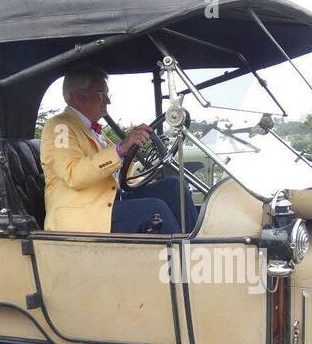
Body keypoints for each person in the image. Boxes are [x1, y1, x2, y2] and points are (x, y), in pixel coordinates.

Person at [41, 66, 196, 234]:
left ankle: (199, 242)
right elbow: (73, 174)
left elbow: (113, 174)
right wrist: (120, 149)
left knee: (174, 187)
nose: (108, 101)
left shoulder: (93, 131)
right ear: (79, 96)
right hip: (80, 216)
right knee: (153, 209)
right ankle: (186, 256)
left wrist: (128, 153)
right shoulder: (60, 127)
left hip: (108, 203)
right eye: (102, 94)